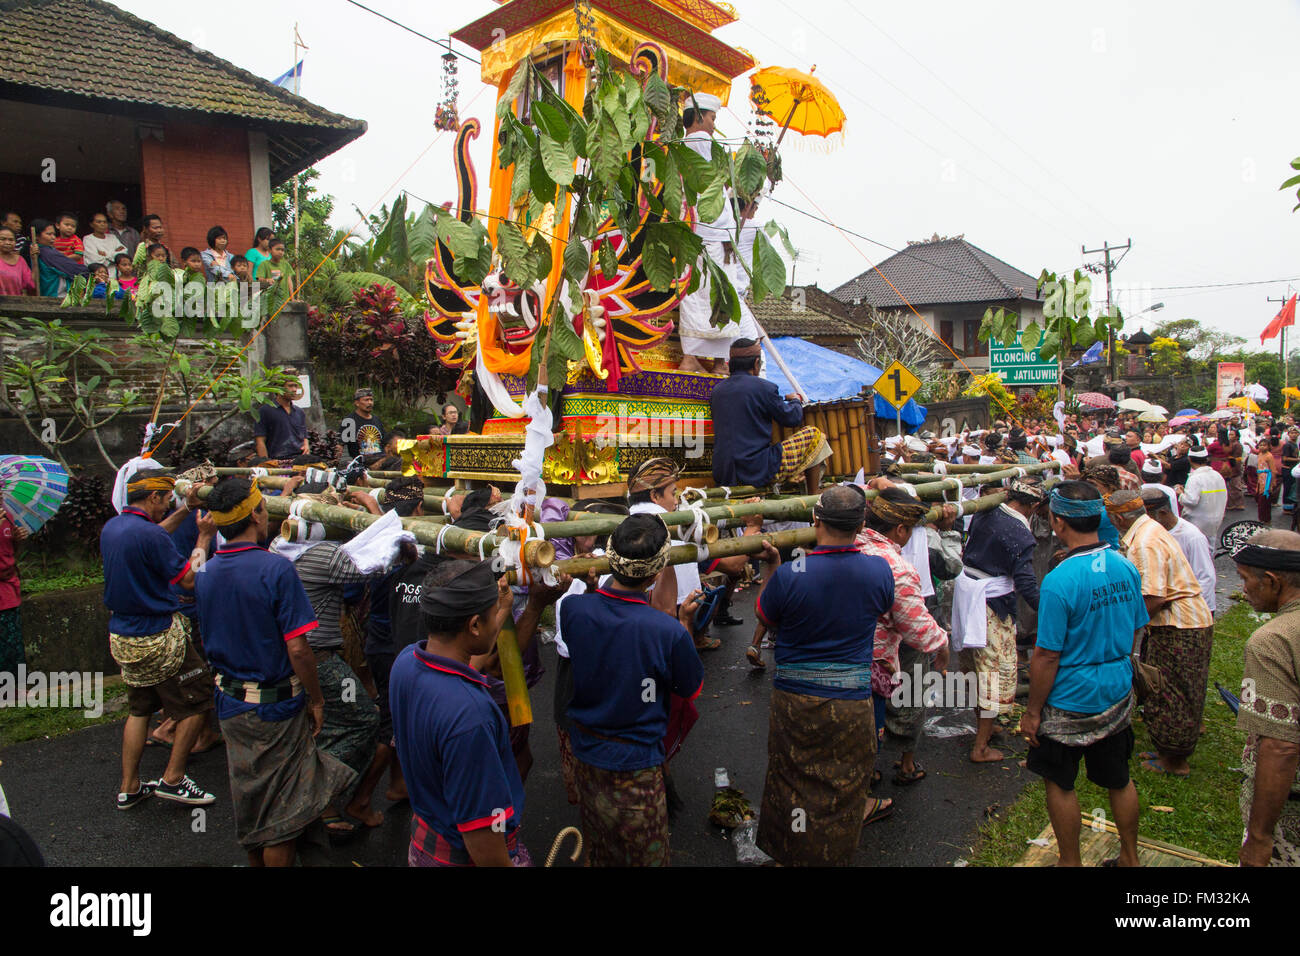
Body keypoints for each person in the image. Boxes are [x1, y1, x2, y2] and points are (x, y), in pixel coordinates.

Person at [194, 477, 355, 866]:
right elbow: (299, 648)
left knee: (252, 800)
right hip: (276, 708)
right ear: (256, 514)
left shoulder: (206, 571)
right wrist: (316, 700)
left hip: (230, 703)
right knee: (280, 815)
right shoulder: (276, 570)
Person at [753, 485, 895, 866]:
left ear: (815, 520)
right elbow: (882, 609)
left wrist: (771, 568)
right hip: (851, 702)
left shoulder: (791, 573)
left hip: (794, 701)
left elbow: (765, 617)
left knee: (791, 781)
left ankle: (789, 855)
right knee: (843, 787)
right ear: (862, 524)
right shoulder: (879, 569)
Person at [558, 514, 704, 866]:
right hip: (636, 767)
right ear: (656, 573)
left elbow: (600, 626)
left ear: (610, 557)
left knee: (601, 851)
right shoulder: (664, 630)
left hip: (588, 759)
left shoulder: (573, 609)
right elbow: (690, 685)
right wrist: (685, 623)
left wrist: (591, 589)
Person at [1020, 481, 1147, 867]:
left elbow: (1045, 656)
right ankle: (1129, 857)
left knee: (1060, 780)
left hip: (1070, 696)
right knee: (1119, 778)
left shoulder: (1060, 580)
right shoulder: (1126, 566)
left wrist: (1033, 712)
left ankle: (1070, 862)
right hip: (1116, 689)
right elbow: (1137, 627)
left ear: (1058, 523)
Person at [389, 560, 530, 866]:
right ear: (474, 625)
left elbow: (463, 662)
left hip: (425, 842)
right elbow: (482, 835)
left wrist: (501, 609)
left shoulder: (406, 661)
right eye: (494, 615)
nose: (498, 620)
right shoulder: (471, 716)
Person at [99, 471, 219, 810]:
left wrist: (184, 509)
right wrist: (204, 538)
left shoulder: (115, 528)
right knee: (199, 699)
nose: (167, 505)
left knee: (140, 710)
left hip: (123, 635)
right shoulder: (149, 536)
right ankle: (174, 779)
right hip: (158, 636)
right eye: (166, 500)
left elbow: (153, 537)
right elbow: (190, 581)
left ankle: (129, 786)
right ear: (152, 497)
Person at [1105, 490, 1214, 777]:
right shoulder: (1149, 530)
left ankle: (1176, 761)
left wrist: (1127, 630)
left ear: (1117, 518)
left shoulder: (1145, 543)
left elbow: (1153, 597)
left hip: (1179, 625)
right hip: (1172, 624)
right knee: (1161, 686)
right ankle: (1166, 749)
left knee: (1174, 691)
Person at [855, 486, 951, 788]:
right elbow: (918, 629)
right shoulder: (896, 567)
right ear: (899, 529)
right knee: (900, 702)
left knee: (856, 723)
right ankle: (877, 779)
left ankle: (865, 774)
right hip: (874, 660)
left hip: (838, 656)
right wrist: (942, 644)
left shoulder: (846, 546)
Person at [954, 478, 1042, 763]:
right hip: (992, 606)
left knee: (978, 669)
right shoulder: (1018, 531)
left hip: (970, 596)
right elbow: (1026, 584)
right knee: (994, 675)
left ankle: (985, 730)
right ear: (1033, 506)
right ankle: (980, 747)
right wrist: (1049, 611)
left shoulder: (985, 511)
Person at [675, 91, 758, 372]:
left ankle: (693, 357)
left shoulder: (678, 146)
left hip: (693, 231)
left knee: (697, 296)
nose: (713, 124)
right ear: (699, 117)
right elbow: (714, 193)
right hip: (712, 234)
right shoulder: (703, 142)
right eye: (712, 118)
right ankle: (719, 362)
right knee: (720, 296)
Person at [1231, 531, 1300, 866]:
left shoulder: (1273, 640)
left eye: (1245, 580)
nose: (1243, 589)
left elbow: (1281, 745)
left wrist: (1259, 838)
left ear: (1272, 581)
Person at [709, 339, 828, 493]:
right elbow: (792, 418)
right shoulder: (764, 388)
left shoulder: (717, 391)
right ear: (756, 363)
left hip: (723, 470)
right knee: (814, 435)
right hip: (754, 469)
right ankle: (813, 493)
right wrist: (796, 402)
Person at [1142, 489, 1216, 616]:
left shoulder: (1192, 536)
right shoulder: (1151, 532)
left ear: (1163, 513)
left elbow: (1205, 578)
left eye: (1148, 518)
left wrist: (1195, 609)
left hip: (1192, 611)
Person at [1176, 446, 1227, 544]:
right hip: (1215, 519)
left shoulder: (1195, 478)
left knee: (1198, 548)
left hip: (1198, 522)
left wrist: (1181, 494)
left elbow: (1191, 501)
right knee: (1210, 547)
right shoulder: (1217, 475)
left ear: (1189, 459)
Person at [253, 375, 310, 460]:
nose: (294, 390)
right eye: (290, 386)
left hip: (299, 460)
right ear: (279, 388)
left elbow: (304, 435)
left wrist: (306, 445)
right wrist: (265, 464)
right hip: (277, 461)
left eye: (296, 386)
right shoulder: (265, 411)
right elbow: (260, 440)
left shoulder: (299, 412)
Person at [0, 513, 30, 675]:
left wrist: (16, 540)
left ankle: (14, 687)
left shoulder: (7, 519)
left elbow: (10, 553)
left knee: (12, 645)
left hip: (8, 592)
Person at [29, 218, 88, 297]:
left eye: (54, 234)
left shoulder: (43, 251)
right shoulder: (47, 252)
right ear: (37, 236)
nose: (53, 237)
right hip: (55, 293)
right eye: (49, 234)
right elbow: (76, 269)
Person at [340, 387, 387, 459]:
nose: (370, 403)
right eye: (366, 400)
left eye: (371, 400)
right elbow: (340, 445)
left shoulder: (376, 420)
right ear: (357, 403)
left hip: (380, 461)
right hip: (361, 463)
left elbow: (385, 442)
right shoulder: (350, 422)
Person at [81, 211, 127, 275]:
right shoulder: (88, 239)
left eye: (105, 222)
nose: (102, 224)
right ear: (91, 224)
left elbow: (124, 252)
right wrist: (114, 255)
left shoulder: (112, 237)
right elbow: (94, 260)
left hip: (117, 275)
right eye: (99, 222)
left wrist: (106, 255)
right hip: (100, 276)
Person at [0, 226, 36, 295]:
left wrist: (34, 261)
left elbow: (30, 284)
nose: (7, 243)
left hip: (15, 303)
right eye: (3, 239)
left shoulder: (20, 261)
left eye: (11, 240)